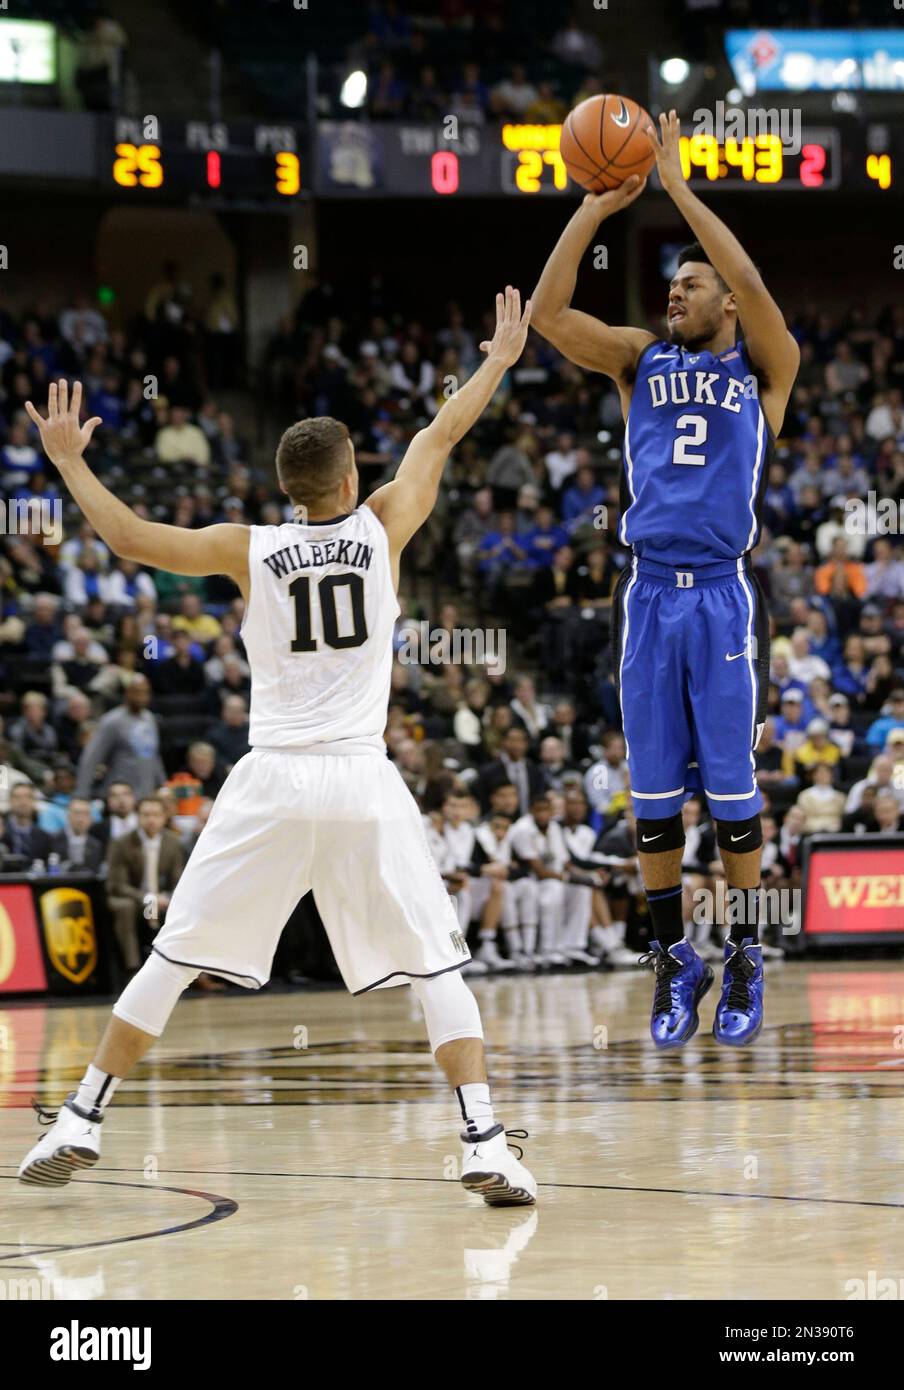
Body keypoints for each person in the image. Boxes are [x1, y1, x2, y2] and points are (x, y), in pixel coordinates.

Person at [19, 293, 537, 1205]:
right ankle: (484, 1141)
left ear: (288, 484)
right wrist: (497, 359)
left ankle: (80, 1116)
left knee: (173, 956)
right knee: (436, 966)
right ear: (347, 482)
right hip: (359, 777)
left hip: (269, 775)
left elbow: (130, 537)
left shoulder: (243, 547)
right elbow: (441, 435)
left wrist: (69, 463)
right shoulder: (383, 526)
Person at [532, 111, 800, 1049]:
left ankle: (744, 956)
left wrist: (680, 187)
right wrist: (595, 205)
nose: (674, 294)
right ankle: (669, 959)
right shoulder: (640, 359)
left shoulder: (766, 369)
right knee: (653, 802)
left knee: (731, 798)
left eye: (690, 285)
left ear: (725, 300)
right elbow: (548, 317)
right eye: (672, 285)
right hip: (646, 594)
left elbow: (756, 281)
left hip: (724, 593)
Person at [105, 796, 185, 973]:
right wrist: (149, 897)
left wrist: (170, 898)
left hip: (161, 897)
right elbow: (117, 885)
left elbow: (178, 881)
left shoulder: (173, 842)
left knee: (186, 905)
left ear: (164, 817)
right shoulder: (122, 843)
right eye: (146, 814)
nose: (151, 819)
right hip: (133, 898)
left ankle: (186, 968)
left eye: (156, 815)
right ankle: (133, 968)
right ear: (138, 817)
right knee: (128, 907)